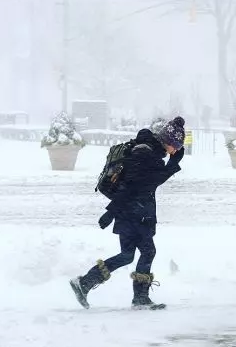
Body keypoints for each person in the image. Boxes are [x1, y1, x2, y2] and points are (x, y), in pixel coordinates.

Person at [70, 116, 186, 310]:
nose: (177, 151)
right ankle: (139, 298)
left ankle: (84, 284)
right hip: (134, 214)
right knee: (147, 252)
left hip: (132, 213)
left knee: (127, 255)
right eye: (177, 146)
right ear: (169, 142)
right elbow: (134, 186)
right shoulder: (145, 153)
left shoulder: (149, 152)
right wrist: (110, 212)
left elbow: (146, 183)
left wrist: (171, 165)